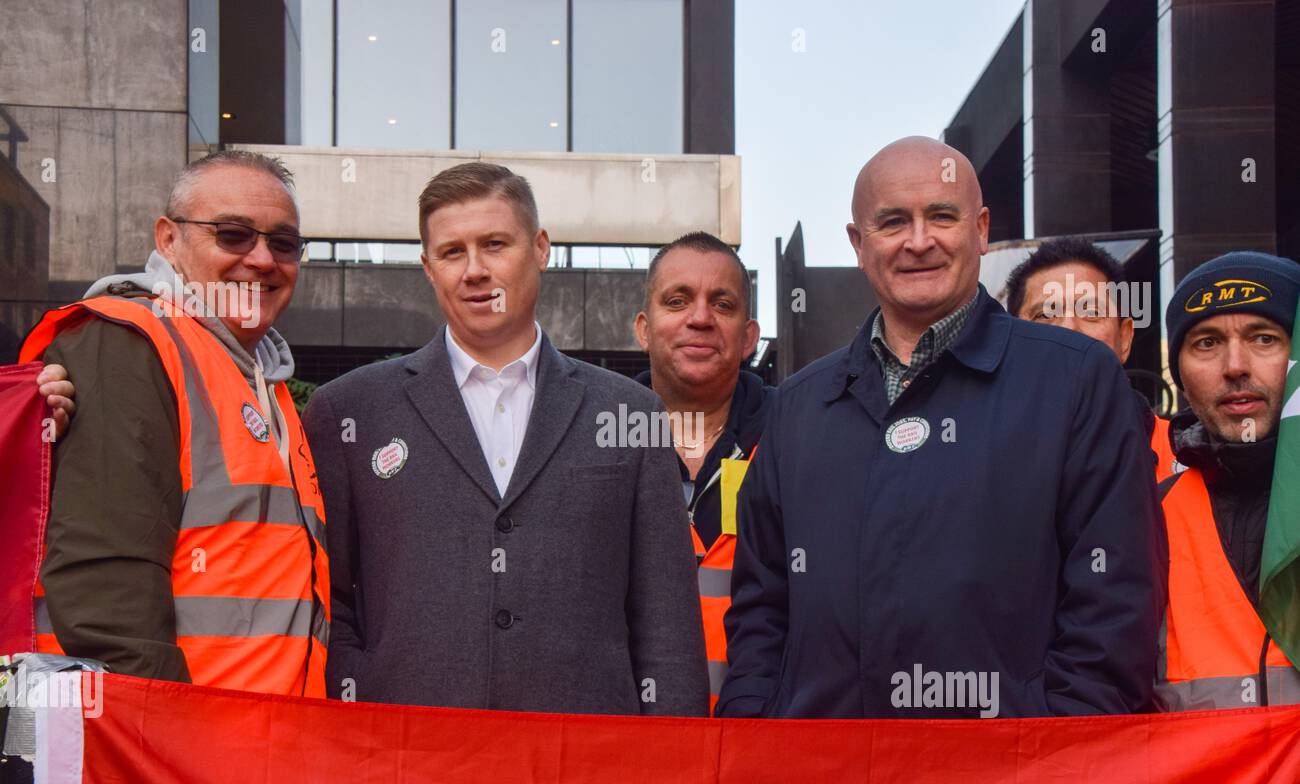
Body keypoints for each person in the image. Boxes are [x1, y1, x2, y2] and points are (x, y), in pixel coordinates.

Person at [717, 136, 1167, 720]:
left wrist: (1052, 759)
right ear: (858, 243)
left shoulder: (1077, 380)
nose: (919, 240)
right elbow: (761, 610)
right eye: (893, 222)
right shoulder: (799, 407)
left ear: (980, 229)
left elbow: (1114, 606)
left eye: (942, 216)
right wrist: (755, 735)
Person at [303, 162, 708, 715]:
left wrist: (670, 768)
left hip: (585, 764)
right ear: (428, 268)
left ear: (540, 248)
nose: (474, 270)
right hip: (409, 759)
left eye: (495, 244)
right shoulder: (350, 411)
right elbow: (333, 602)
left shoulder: (631, 413)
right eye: (452, 252)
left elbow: (666, 621)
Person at [18, 150, 329, 695]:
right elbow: (106, 588)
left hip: (263, 748)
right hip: (178, 751)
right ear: (168, 239)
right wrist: (170, 743)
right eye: (233, 234)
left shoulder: (263, 380)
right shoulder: (127, 343)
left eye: (284, 243)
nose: (262, 259)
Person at [633, 232, 773, 712]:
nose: (699, 318)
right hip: (626, 748)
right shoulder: (592, 443)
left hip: (761, 748)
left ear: (749, 337)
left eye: (722, 304)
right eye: (677, 301)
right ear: (643, 329)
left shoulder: (797, 442)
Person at [1155, 251, 1300, 709]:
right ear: (1179, 372)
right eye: (1206, 343)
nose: (1235, 365)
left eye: (1264, 338)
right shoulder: (1143, 519)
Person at [1004, 236, 1176, 479]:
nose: (1069, 330)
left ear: (1125, 339)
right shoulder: (977, 460)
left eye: (1091, 312)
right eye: (1045, 314)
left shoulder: (1187, 458)